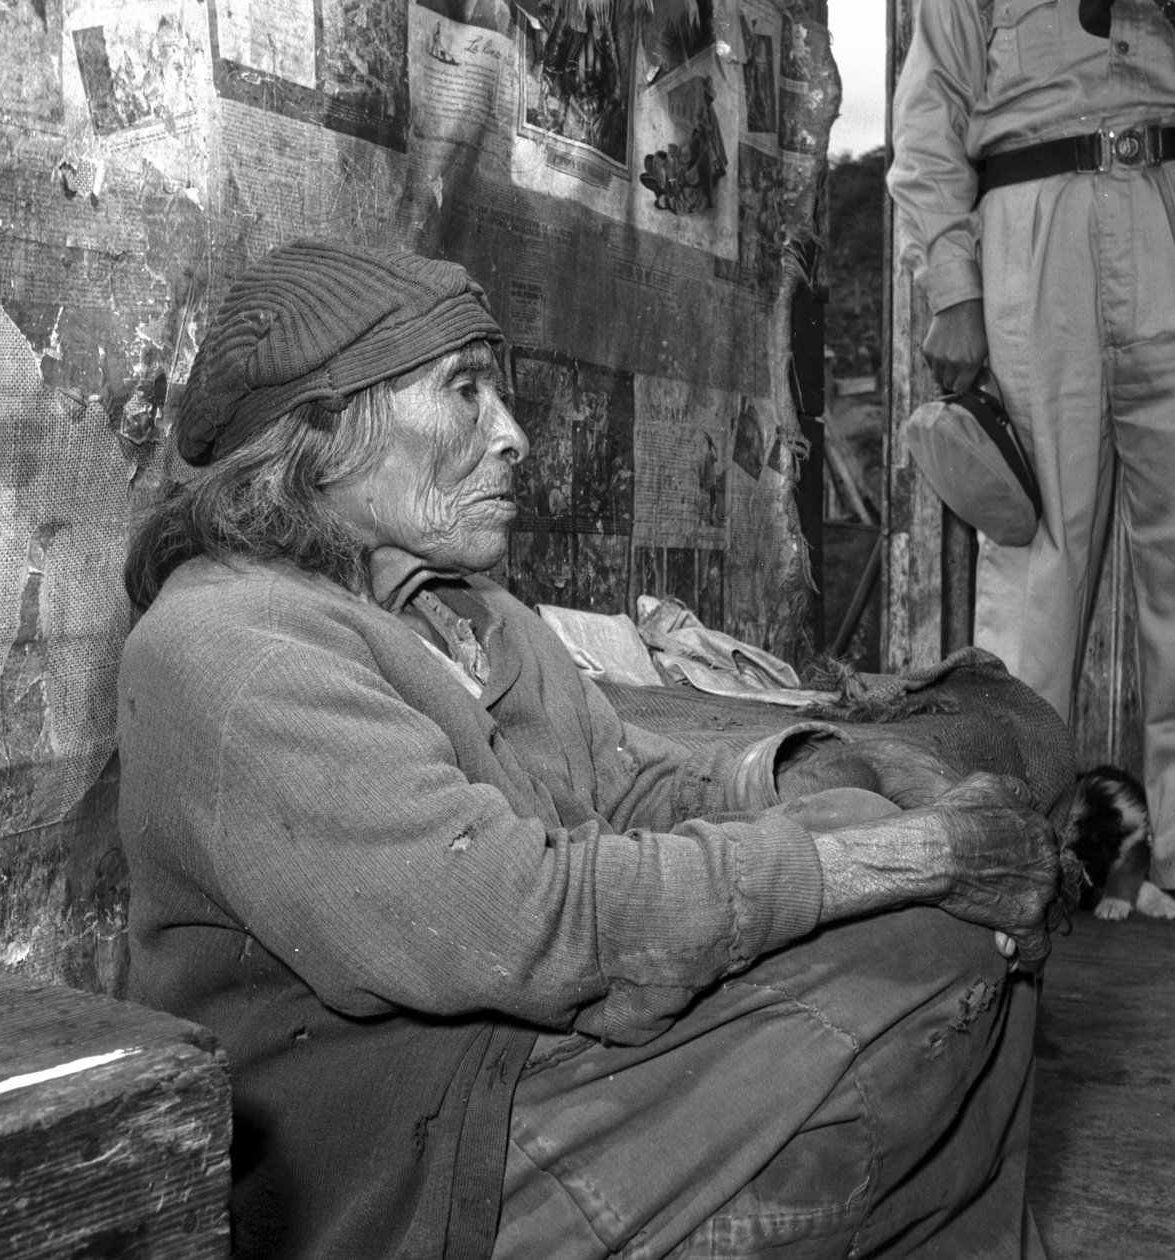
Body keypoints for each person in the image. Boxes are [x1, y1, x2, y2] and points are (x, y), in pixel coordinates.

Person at [118, 238, 1061, 1259]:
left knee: (952, 934)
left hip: (518, 1054)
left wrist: (824, 774)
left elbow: (626, 780)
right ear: (319, 433)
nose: (513, 435)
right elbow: (523, 915)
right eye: (464, 392)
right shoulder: (229, 648)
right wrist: (903, 856)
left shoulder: (465, 610)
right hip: (404, 1157)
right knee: (919, 954)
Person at [887, 0, 1175, 889]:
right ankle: (1019, 861)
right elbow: (927, 117)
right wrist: (951, 288)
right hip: (1032, 227)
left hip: (1166, 200)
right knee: (1040, 560)